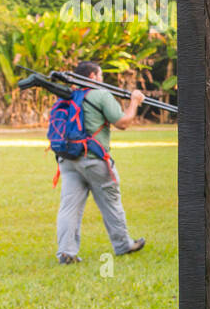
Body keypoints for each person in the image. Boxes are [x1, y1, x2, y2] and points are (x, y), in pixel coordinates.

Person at [55, 61, 147, 264]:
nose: (103, 79)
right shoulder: (100, 95)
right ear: (93, 76)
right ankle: (123, 245)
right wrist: (134, 102)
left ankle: (66, 252)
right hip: (93, 158)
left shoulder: (69, 95)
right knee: (111, 201)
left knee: (69, 206)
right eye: (101, 75)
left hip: (68, 159)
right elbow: (122, 122)